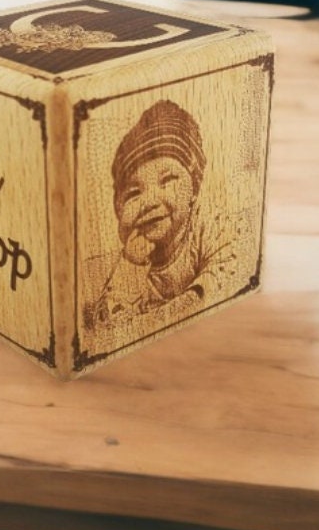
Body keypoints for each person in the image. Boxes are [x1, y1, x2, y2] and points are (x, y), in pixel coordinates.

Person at [85, 98, 240, 348]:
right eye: (133, 193)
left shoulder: (209, 226)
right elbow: (107, 330)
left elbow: (220, 285)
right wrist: (131, 265)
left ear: (193, 187)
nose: (149, 201)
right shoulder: (132, 259)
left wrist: (149, 322)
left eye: (167, 180)